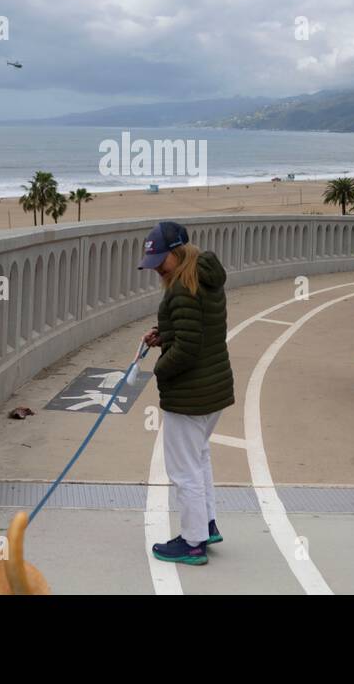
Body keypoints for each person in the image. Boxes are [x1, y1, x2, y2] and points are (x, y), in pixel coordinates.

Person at [138, 221, 234, 566]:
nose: (157, 270)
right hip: (214, 388)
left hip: (190, 393)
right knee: (199, 458)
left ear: (177, 253)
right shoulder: (205, 279)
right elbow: (198, 330)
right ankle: (206, 524)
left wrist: (160, 370)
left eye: (160, 261)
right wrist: (164, 335)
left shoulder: (182, 289)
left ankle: (193, 542)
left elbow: (188, 349)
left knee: (182, 470)